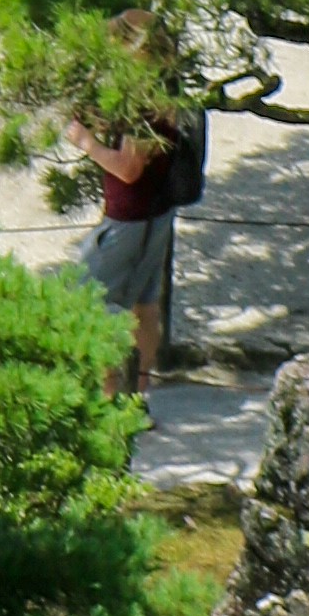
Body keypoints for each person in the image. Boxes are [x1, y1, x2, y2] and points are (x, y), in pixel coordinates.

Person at [75, 96, 195, 402]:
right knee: (145, 305)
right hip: (157, 214)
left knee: (90, 300)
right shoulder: (167, 93)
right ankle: (135, 399)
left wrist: (86, 141)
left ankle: (108, 396)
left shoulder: (142, 98)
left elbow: (129, 169)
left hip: (127, 221)